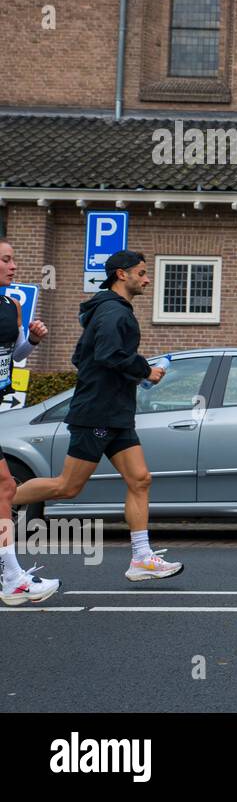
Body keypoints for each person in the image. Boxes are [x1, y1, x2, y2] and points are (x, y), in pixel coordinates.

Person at [12, 250, 183, 582]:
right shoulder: (112, 312)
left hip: (116, 412)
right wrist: (144, 370)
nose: (147, 279)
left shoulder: (106, 310)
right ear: (122, 274)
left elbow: (81, 356)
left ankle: (141, 557)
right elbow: (107, 354)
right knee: (67, 487)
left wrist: (124, 376)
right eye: (143, 273)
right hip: (98, 413)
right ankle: (7, 497)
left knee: (140, 479)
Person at [0, 239, 60, 604]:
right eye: (5, 260)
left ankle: (11, 577)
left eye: (13, 259)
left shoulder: (12, 304)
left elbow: (15, 352)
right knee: (5, 489)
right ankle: (11, 579)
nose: (13, 266)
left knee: (5, 490)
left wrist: (33, 342)